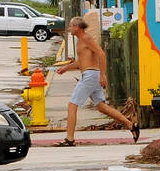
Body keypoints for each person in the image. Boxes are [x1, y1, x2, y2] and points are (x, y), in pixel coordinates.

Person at [53, 16, 139, 146]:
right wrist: (65, 68)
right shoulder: (80, 41)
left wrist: (103, 75)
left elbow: (101, 54)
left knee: (72, 105)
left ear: (77, 27)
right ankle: (131, 125)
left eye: (70, 26)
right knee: (102, 107)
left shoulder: (86, 38)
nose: (69, 29)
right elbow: (81, 62)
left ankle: (69, 139)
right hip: (89, 75)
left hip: (90, 76)